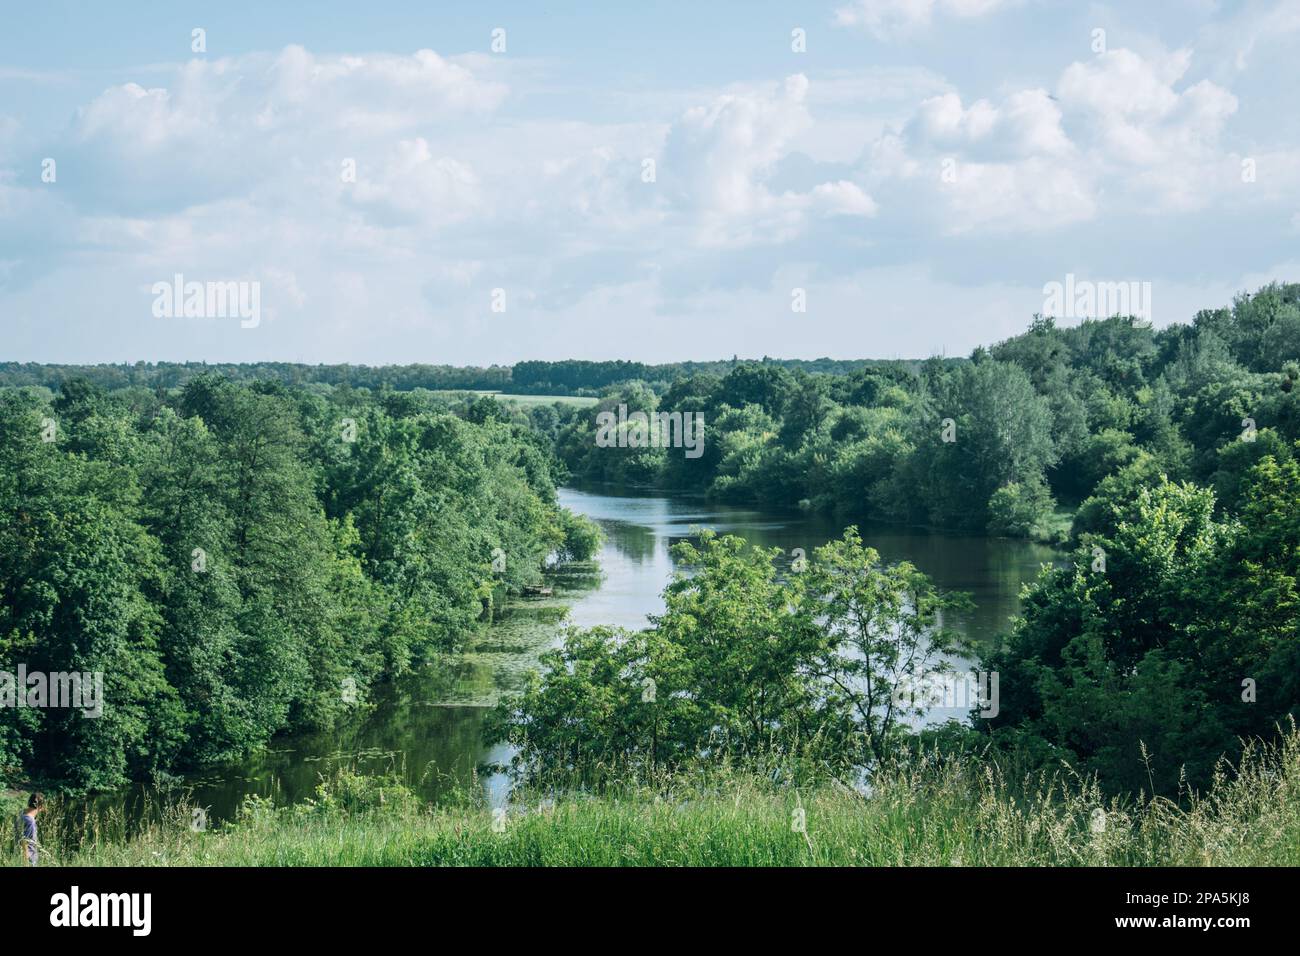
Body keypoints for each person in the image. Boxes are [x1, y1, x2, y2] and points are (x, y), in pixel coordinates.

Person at [16, 792, 43, 866]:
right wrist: (26, 862)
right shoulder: (30, 822)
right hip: (29, 859)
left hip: (17, 856)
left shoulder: (21, 814)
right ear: (40, 807)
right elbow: (24, 842)